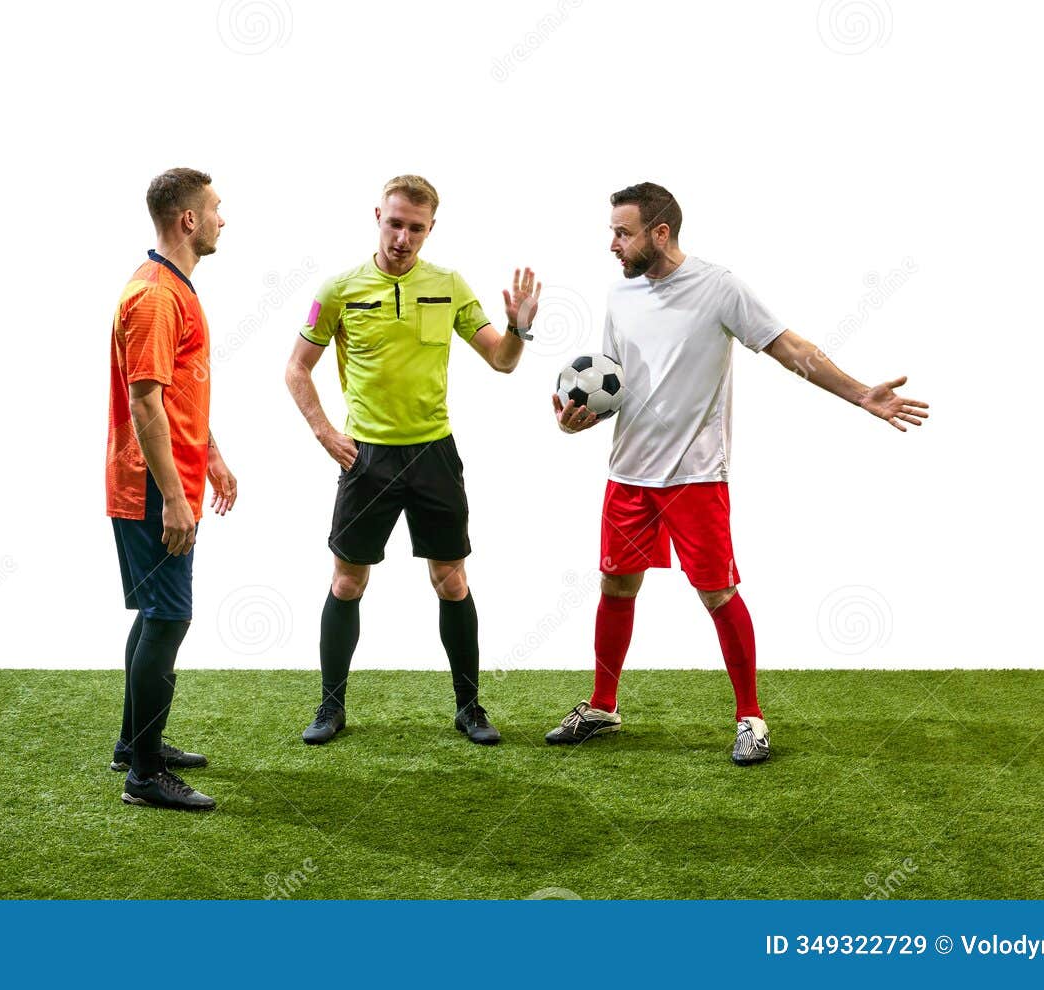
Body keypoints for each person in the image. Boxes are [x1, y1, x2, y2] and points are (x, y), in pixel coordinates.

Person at [545, 182, 929, 764]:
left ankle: (750, 717)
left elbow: (788, 347)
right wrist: (580, 423)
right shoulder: (621, 298)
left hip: (696, 477)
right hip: (628, 475)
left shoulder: (717, 286)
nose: (613, 245)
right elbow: (614, 386)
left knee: (718, 592)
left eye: (622, 233)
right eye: (612, 233)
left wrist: (859, 395)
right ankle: (602, 705)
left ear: (660, 232)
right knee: (615, 586)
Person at [284, 174, 539, 746]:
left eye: (415, 228)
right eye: (395, 224)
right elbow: (296, 368)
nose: (403, 238)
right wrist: (326, 432)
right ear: (377, 215)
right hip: (366, 457)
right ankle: (330, 708)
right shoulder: (339, 288)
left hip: (433, 454)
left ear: (430, 228)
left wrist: (519, 327)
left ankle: (470, 708)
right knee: (348, 583)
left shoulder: (448, 284)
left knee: (451, 582)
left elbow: (502, 360)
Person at [106, 167, 237, 810]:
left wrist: (211, 457)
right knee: (169, 616)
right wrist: (176, 497)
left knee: (155, 615)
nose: (222, 219)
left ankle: (134, 744)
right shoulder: (158, 296)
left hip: (170, 479)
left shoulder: (174, 287)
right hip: (153, 488)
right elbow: (145, 402)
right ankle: (146, 773)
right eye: (216, 208)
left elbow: (180, 391)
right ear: (188, 219)